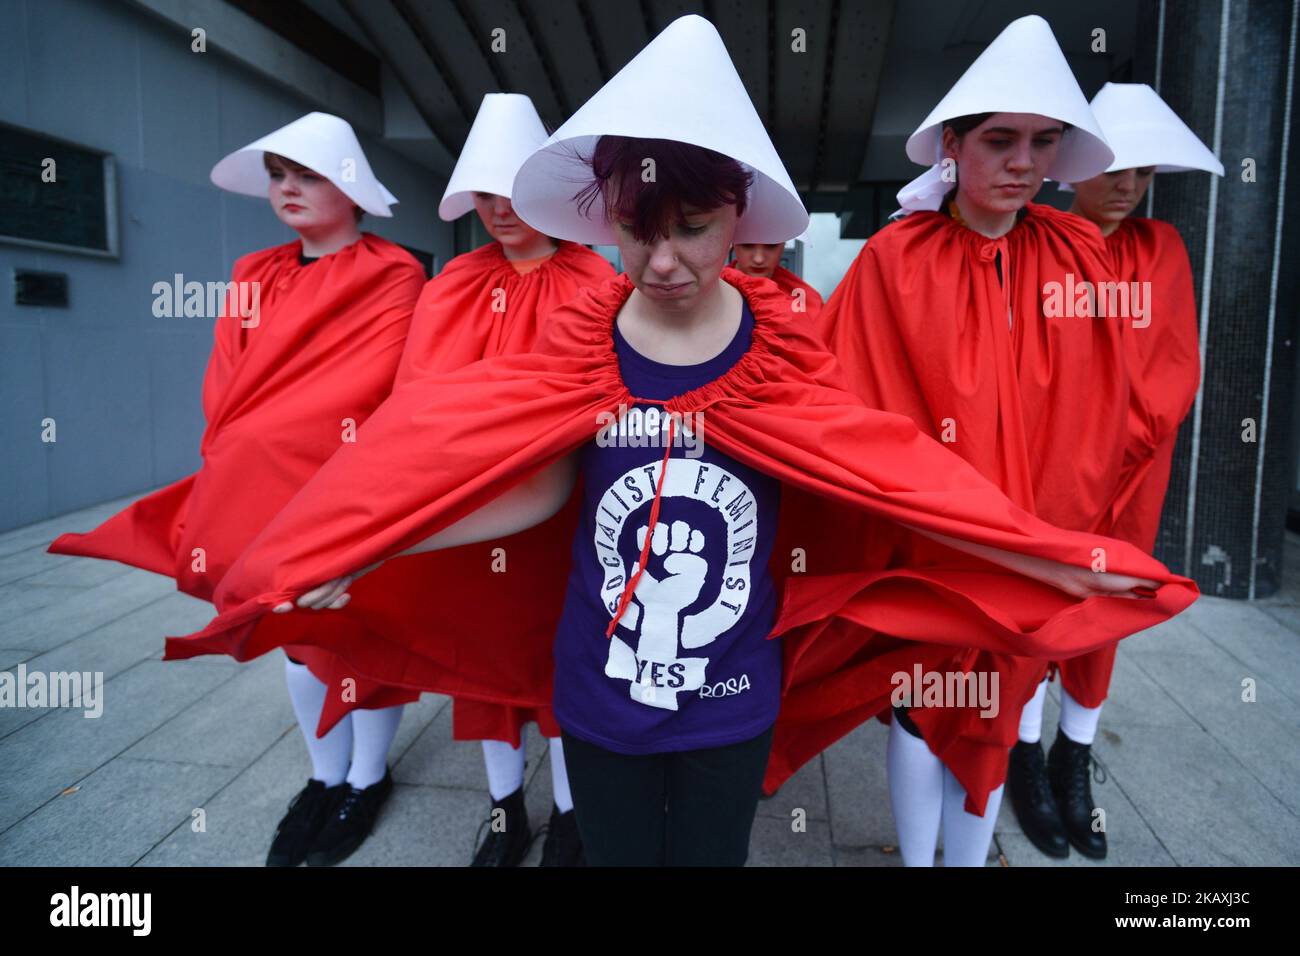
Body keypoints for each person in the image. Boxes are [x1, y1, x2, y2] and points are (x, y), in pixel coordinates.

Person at [165, 14, 1194, 868]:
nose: (662, 259)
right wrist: (375, 543)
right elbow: (530, 486)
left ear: (737, 214)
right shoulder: (578, 342)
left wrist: (1050, 557)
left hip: (731, 700)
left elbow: (887, 473)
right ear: (604, 214)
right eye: (635, 227)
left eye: (694, 226)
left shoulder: (785, 345)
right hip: (597, 691)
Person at [48, 112, 426, 867]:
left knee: (356, 631)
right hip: (257, 483)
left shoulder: (395, 273)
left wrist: (272, 435)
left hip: (345, 484)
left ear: (349, 185)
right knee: (284, 631)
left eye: (307, 174)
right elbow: (228, 378)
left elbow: (377, 384)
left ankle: (366, 778)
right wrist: (233, 446)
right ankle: (323, 779)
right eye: (279, 173)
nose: (286, 187)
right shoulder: (255, 271)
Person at [818, 15, 1136, 865]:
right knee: (928, 706)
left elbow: (1102, 404)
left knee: (998, 711)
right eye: (1000, 140)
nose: (1025, 162)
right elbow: (855, 403)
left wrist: (1054, 532)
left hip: (1037, 537)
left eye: (1042, 141)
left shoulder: (1078, 255)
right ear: (952, 145)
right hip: (932, 545)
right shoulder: (894, 259)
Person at [385, 92, 615, 866]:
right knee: (481, 660)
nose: (500, 208)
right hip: (471, 509)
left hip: (565, 512)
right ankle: (503, 810)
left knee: (565, 659)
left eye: (514, 188)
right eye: (484, 192)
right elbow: (417, 398)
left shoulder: (596, 280)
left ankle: (575, 816)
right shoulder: (450, 282)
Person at [1003, 82, 1222, 860]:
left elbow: (1172, 368)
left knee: (1114, 600)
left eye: (1145, 173)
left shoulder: (1160, 248)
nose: (1128, 185)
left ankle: (1075, 751)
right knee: (1042, 599)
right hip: (1050, 461)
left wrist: (1115, 444)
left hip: (1133, 466)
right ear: (1077, 163)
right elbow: (1025, 364)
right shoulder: (1039, 240)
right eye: (1117, 166)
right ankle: (1022, 752)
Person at [730, 240, 823, 319]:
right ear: (732, 242)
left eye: (771, 245)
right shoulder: (716, 290)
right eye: (747, 245)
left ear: (784, 244)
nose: (759, 259)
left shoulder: (809, 302)